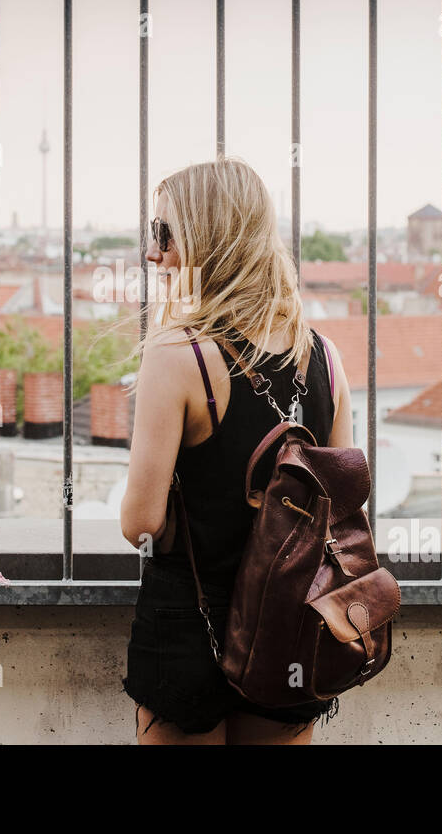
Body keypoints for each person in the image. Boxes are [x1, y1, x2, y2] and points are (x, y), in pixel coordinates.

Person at [117, 156, 353, 745]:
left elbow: (140, 522)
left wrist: (197, 527)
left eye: (164, 233)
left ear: (208, 238)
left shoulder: (177, 355)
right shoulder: (324, 357)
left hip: (188, 623)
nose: (153, 252)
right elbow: (342, 507)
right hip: (289, 625)